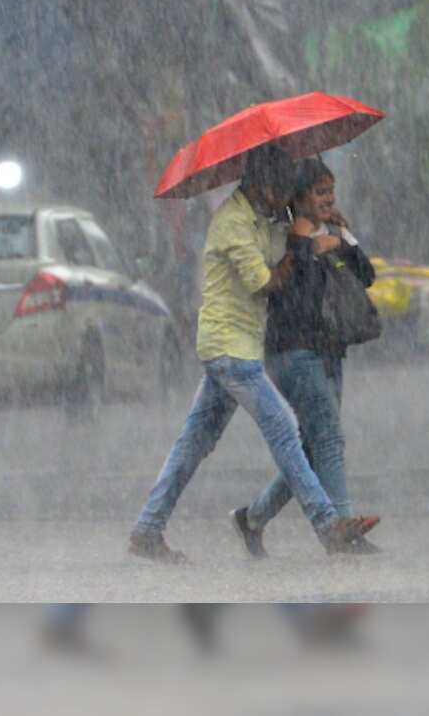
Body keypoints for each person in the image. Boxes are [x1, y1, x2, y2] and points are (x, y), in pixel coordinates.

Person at [128, 143, 379, 562]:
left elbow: (294, 240)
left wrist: (317, 225)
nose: (285, 199)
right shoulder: (232, 224)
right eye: (281, 190)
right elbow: (265, 282)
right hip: (230, 351)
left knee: (193, 445)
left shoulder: (263, 218)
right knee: (284, 430)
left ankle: (147, 530)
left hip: (238, 346)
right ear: (261, 184)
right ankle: (327, 525)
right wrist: (303, 244)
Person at [230, 158, 381, 558]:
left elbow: (366, 275)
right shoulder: (284, 239)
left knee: (312, 450)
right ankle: (341, 528)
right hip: (294, 352)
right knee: (329, 437)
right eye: (319, 192)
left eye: (331, 191)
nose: (328, 199)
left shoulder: (332, 230)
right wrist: (311, 249)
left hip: (330, 347)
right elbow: (297, 294)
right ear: (298, 198)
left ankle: (253, 518)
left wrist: (343, 238)